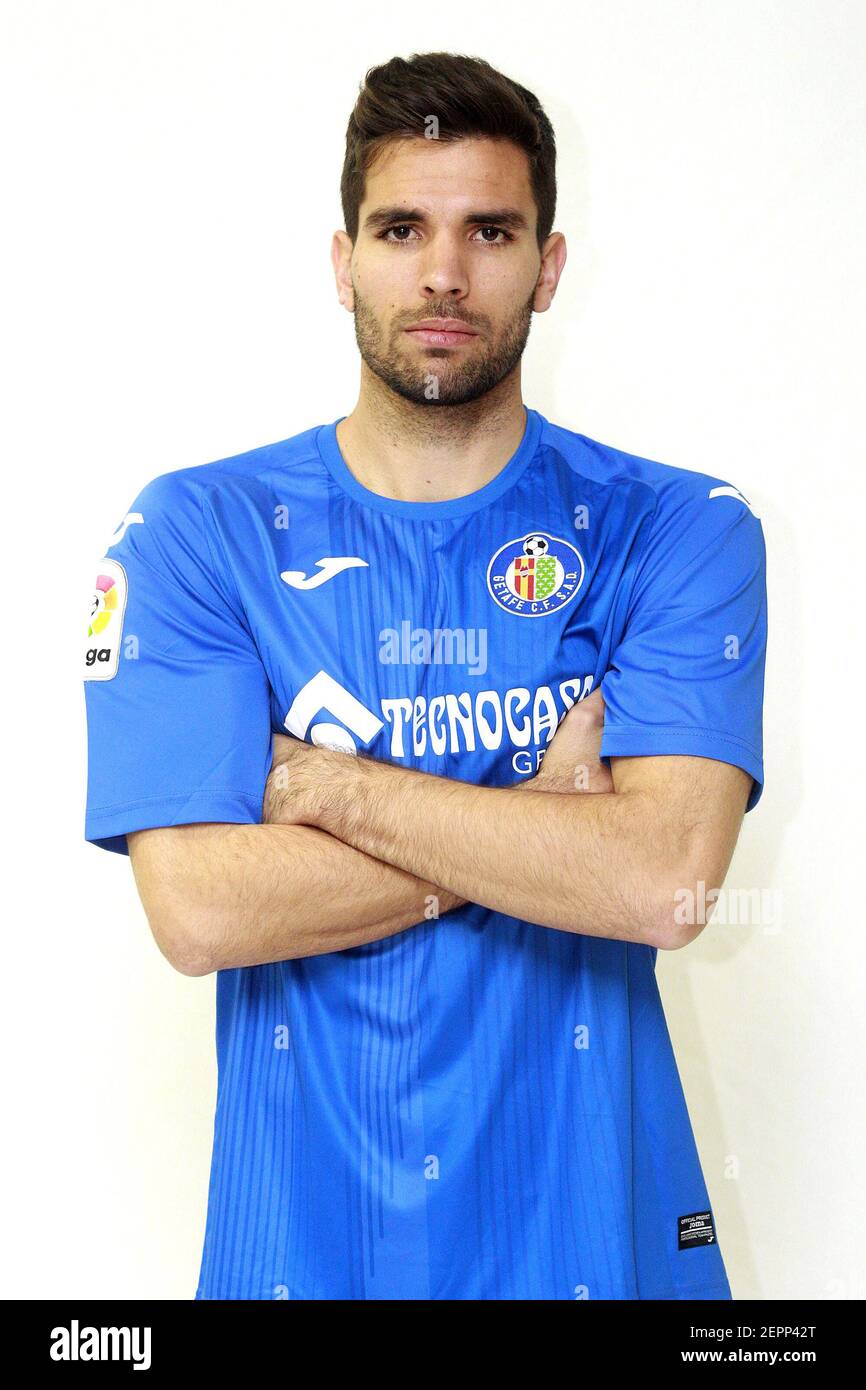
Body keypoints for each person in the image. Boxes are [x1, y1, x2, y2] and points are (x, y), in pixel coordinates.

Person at [83, 51, 767, 1301]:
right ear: (341, 259)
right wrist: (552, 830)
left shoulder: (678, 529)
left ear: (548, 266)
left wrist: (326, 788)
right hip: (296, 1260)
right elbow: (201, 913)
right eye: (401, 227)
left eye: (488, 230)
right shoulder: (193, 535)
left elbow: (662, 883)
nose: (442, 273)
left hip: (597, 1257)